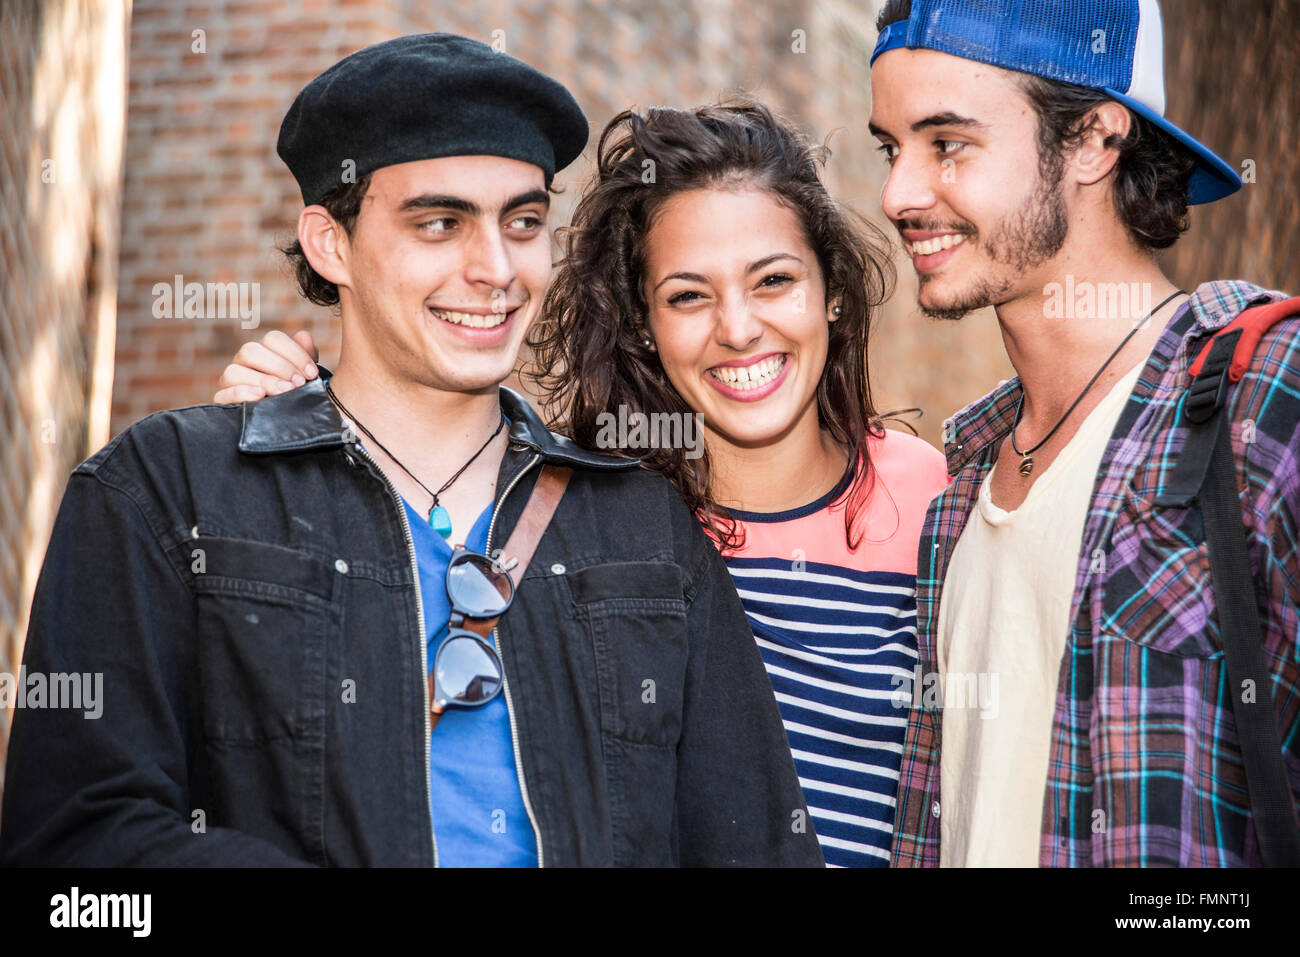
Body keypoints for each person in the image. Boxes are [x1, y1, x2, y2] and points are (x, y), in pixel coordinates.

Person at [0, 33, 821, 868]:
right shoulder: (167, 491)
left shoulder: (644, 532)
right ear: (330, 243)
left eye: (523, 221)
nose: (496, 268)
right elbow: (75, 850)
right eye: (441, 223)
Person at [219, 99, 952, 867]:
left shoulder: (936, 499)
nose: (737, 327)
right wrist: (295, 420)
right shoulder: (594, 519)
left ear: (831, 289)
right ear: (643, 321)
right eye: (688, 296)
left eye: (773, 280)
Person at [869, 0, 1299, 865]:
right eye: (892, 147)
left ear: (1096, 140)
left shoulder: (1266, 401)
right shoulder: (958, 494)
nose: (898, 194)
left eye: (946, 142)